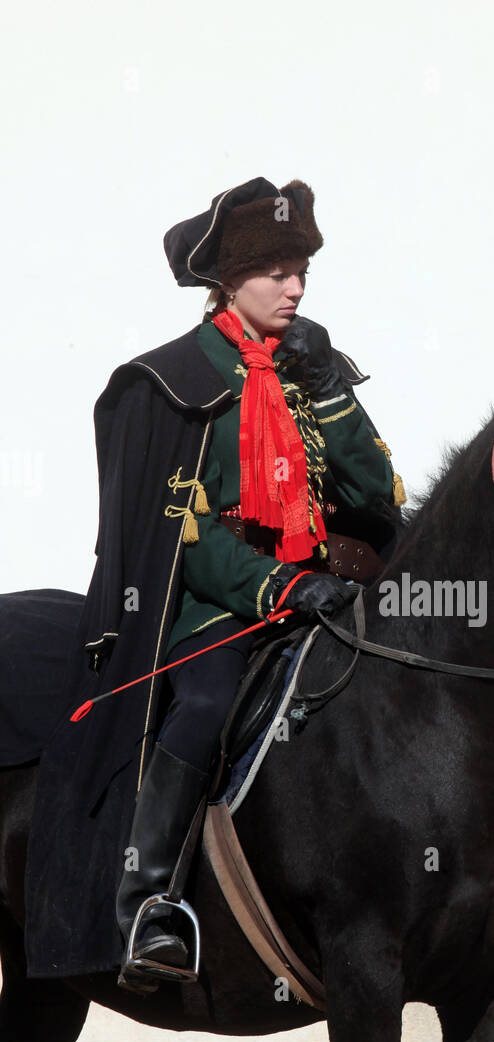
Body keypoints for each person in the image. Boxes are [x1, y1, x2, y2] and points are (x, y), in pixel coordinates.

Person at [100, 177, 404, 990]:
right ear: (227, 283)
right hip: (214, 605)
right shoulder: (168, 382)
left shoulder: (314, 368)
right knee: (202, 705)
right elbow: (180, 538)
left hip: (323, 596)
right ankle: (148, 902)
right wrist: (279, 588)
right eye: (277, 271)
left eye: (301, 268)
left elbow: (377, 495)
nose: (297, 287)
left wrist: (334, 391)